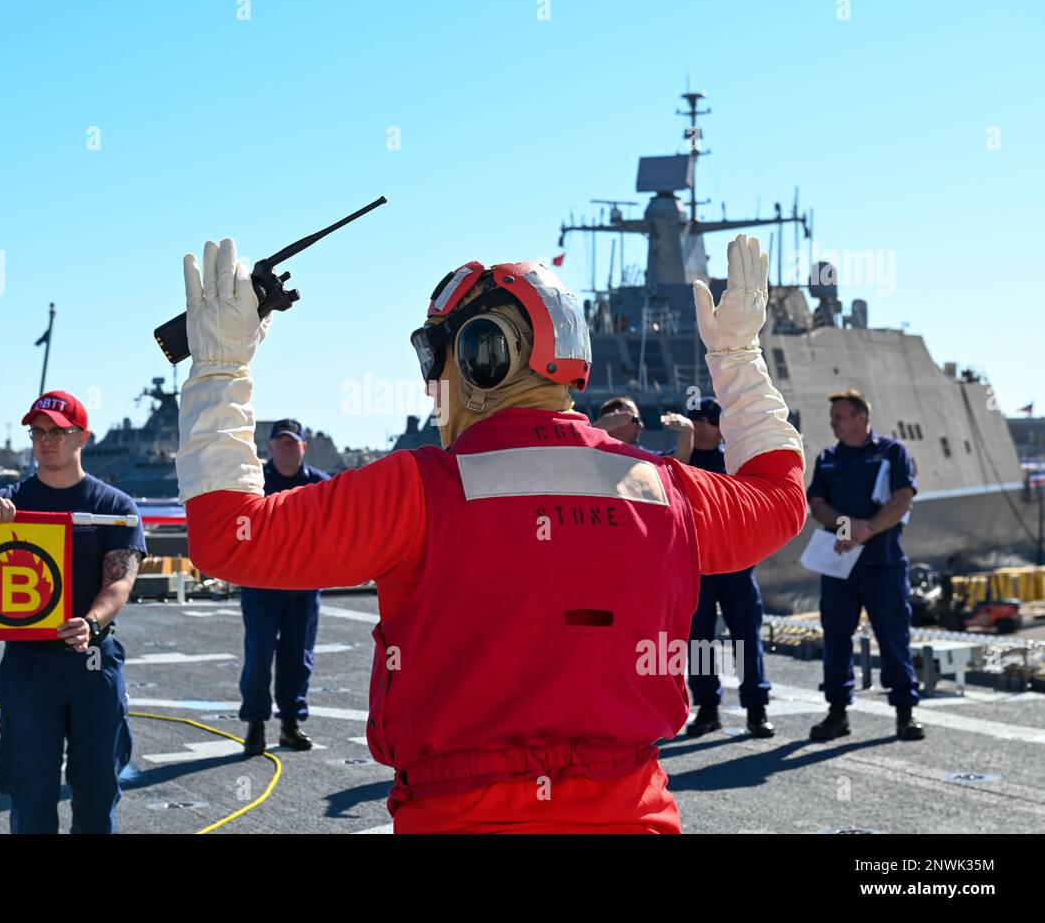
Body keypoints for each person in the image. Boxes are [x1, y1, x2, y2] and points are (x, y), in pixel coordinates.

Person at [176, 234, 805, 832]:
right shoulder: (666, 488)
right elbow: (781, 497)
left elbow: (229, 537)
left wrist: (220, 369)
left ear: (481, 355)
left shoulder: (418, 490)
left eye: (432, 356)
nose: (430, 383)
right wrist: (738, 360)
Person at [0, 390, 147, 832]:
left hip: (94, 660)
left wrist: (90, 623)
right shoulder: (7, 500)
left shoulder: (114, 506)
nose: (47, 440)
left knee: (96, 792)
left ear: (83, 438)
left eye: (58, 431)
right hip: (29, 663)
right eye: (38, 432)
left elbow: (120, 582)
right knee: (30, 793)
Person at [805, 389, 923, 741]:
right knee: (837, 637)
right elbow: (817, 504)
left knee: (893, 637)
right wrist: (847, 527)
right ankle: (837, 714)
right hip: (840, 566)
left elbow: (902, 500)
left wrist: (864, 530)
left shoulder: (892, 453)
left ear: (861, 418)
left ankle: (905, 714)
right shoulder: (827, 458)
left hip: (882, 563)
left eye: (840, 416)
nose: (833, 422)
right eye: (832, 417)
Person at [675, 397, 774, 738]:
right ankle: (708, 708)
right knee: (700, 641)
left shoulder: (735, 464)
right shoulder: (679, 461)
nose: (700, 425)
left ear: (721, 430)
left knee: (746, 638)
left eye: (707, 421)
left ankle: (756, 708)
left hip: (736, 566)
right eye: (695, 420)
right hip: (698, 567)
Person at [237, 418, 332, 756]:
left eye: (293, 443)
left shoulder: (322, 485)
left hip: (304, 587)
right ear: (271, 447)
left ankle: (291, 724)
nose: (287, 448)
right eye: (281, 442)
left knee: (298, 657)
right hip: (261, 586)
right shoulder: (254, 484)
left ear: (303, 447)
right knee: (259, 654)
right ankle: (256, 724)